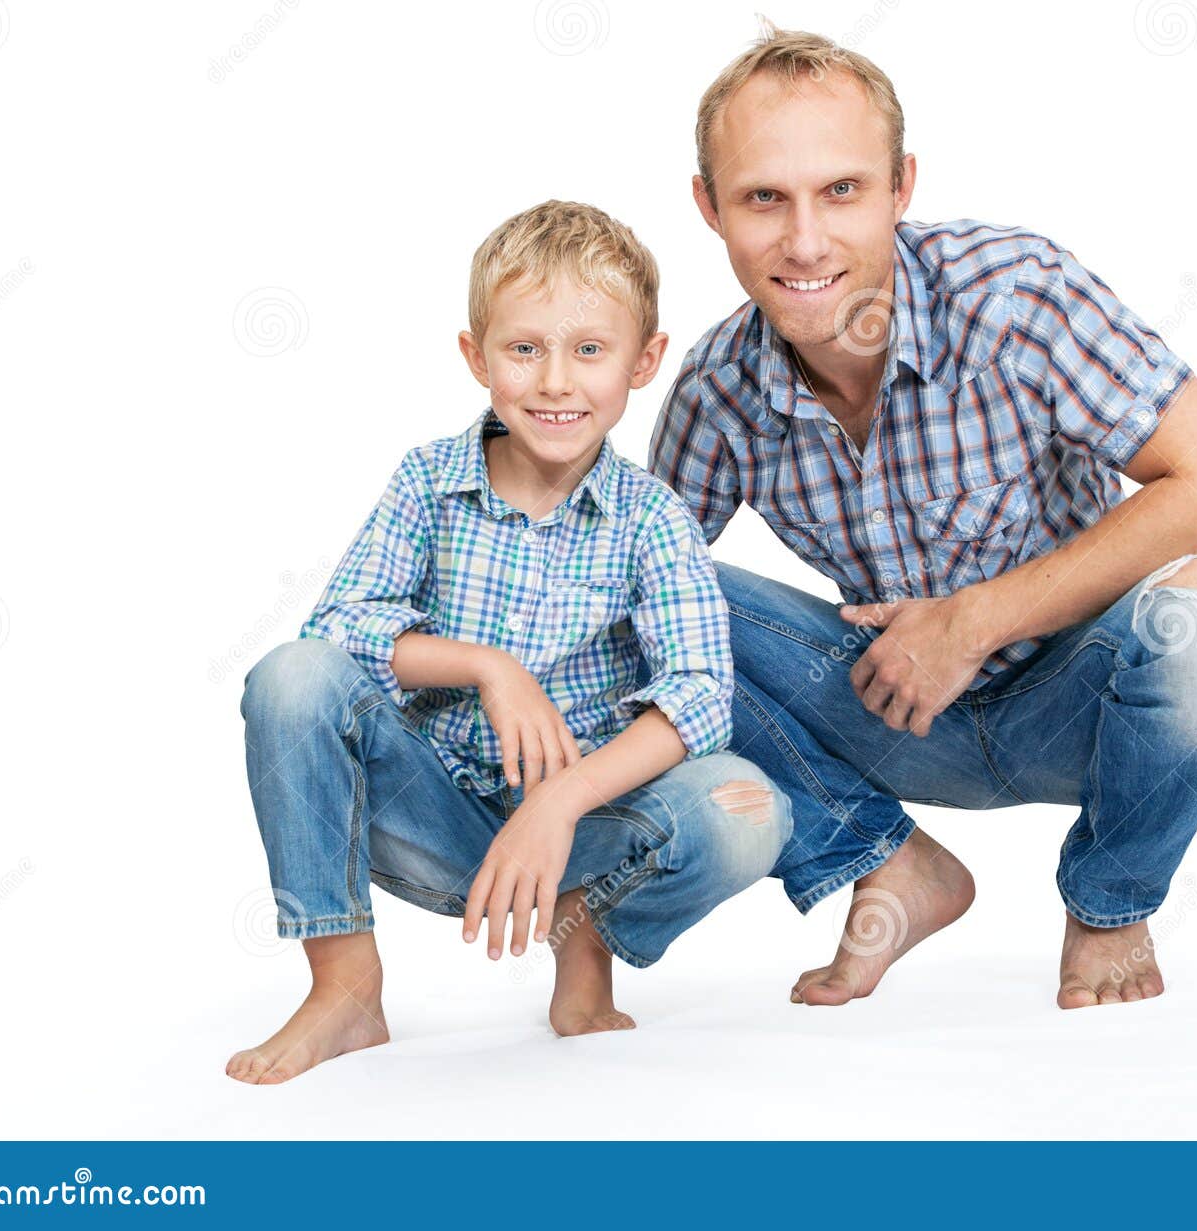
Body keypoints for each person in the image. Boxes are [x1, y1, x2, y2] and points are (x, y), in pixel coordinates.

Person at [649, 25, 1197, 1010]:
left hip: (1086, 704)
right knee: (637, 600)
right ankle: (891, 861)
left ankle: (1110, 898)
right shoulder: (715, 387)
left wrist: (973, 620)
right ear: (707, 207)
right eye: (762, 198)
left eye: (841, 190)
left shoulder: (1012, 295)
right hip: (889, 712)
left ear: (900, 185)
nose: (804, 240)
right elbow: (613, 597)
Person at [228, 200, 790, 1084]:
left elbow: (698, 696)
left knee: (745, 808)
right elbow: (337, 633)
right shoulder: (427, 482)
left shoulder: (651, 518)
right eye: (525, 348)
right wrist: (489, 667)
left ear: (644, 361)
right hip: (430, 819)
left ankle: (586, 939)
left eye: (590, 350)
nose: (556, 381)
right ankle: (344, 987)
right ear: (475, 355)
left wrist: (559, 803)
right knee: (291, 678)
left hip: (580, 837)